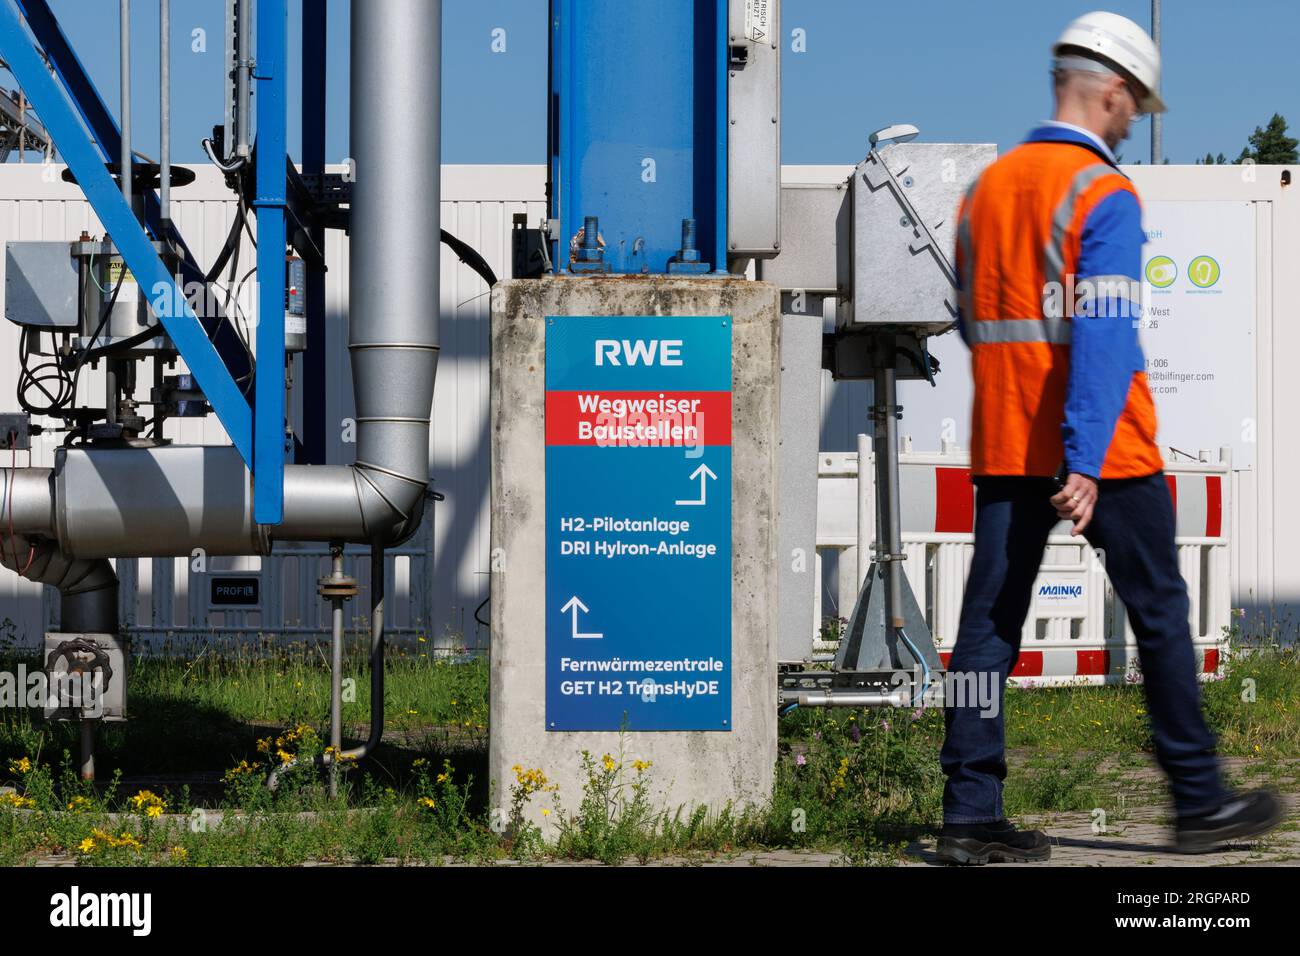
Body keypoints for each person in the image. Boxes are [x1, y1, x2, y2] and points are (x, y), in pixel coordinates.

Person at [937, 10, 1283, 865]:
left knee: (987, 632)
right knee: (1163, 616)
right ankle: (1198, 802)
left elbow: (974, 325)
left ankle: (969, 815)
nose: (1134, 123)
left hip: (1006, 447)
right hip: (1106, 454)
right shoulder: (1102, 193)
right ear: (1112, 92)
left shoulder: (985, 191)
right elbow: (1103, 333)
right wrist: (1085, 460)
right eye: (1135, 108)